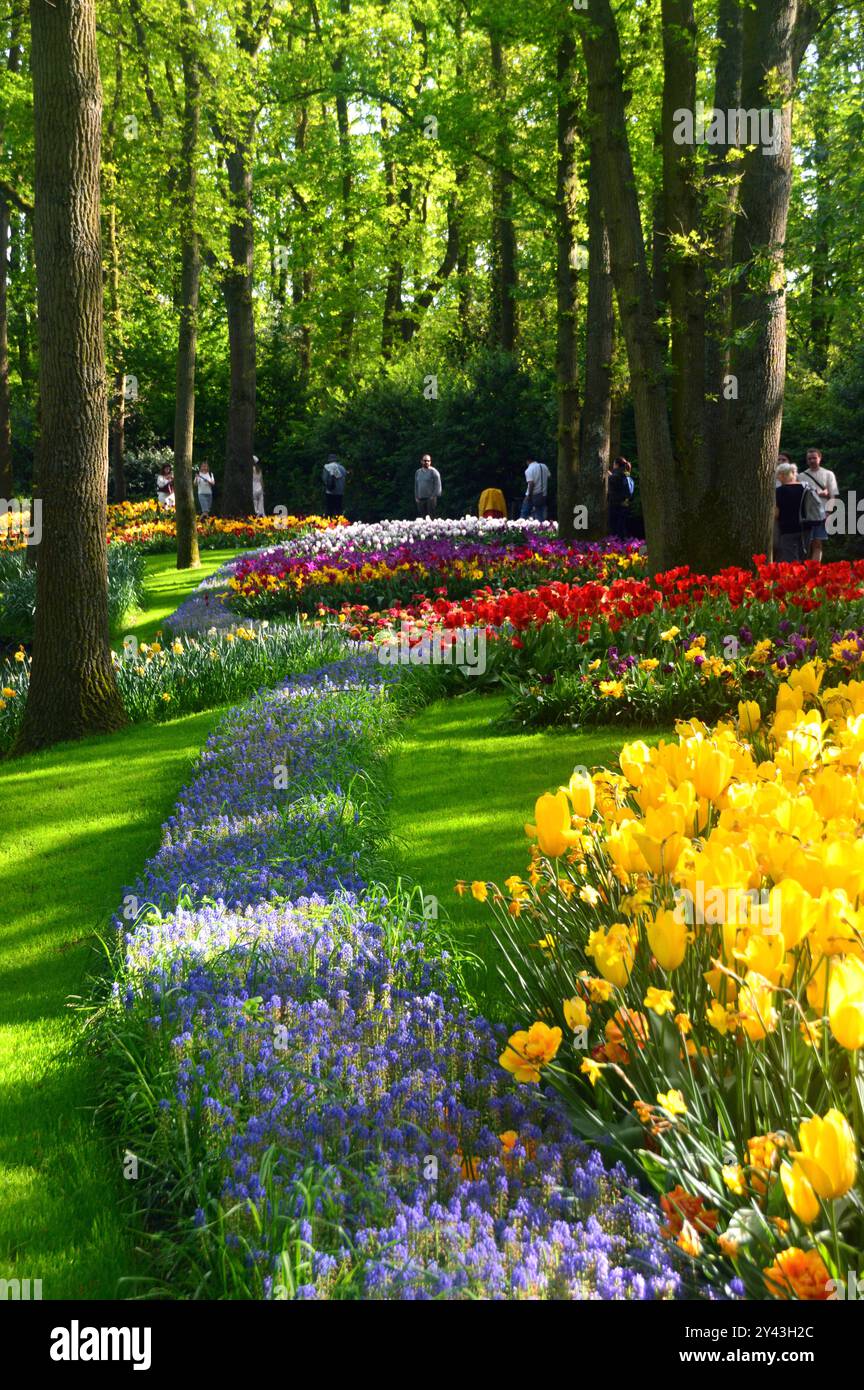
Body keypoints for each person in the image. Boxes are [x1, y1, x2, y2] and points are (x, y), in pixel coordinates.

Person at [799, 447, 839, 563]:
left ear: (820, 458)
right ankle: (803, 571)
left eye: (814, 458)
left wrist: (829, 513)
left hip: (822, 514)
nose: (812, 460)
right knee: (805, 545)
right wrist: (820, 493)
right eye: (809, 458)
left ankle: (814, 570)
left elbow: (833, 495)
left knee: (817, 543)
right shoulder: (801, 476)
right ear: (807, 460)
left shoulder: (828, 474)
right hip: (806, 515)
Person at [774, 462, 808, 562]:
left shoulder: (779, 491)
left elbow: (777, 513)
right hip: (805, 528)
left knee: (791, 560)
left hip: (788, 529)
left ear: (782, 475)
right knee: (802, 558)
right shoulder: (805, 488)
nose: (778, 478)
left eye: (778, 476)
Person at [607, 457, 634, 538]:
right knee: (622, 527)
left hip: (616, 505)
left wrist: (609, 475)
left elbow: (614, 481)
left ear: (617, 465)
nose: (613, 466)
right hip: (625, 504)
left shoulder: (616, 475)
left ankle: (616, 546)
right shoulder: (626, 474)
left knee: (615, 528)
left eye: (614, 464)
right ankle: (623, 546)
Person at [415, 452, 442, 518]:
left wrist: (433, 496)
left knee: (431, 517)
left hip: (430, 499)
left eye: (428, 461)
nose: (427, 462)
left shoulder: (434, 472)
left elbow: (438, 485)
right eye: (425, 461)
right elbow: (416, 485)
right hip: (421, 499)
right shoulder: (418, 472)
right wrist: (416, 497)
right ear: (421, 461)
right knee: (422, 517)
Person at [322, 453, 347, 517]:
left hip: (330, 492)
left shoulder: (327, 467)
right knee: (339, 510)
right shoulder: (342, 468)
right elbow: (344, 479)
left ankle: (329, 525)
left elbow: (324, 479)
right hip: (340, 492)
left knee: (329, 510)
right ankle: (340, 524)